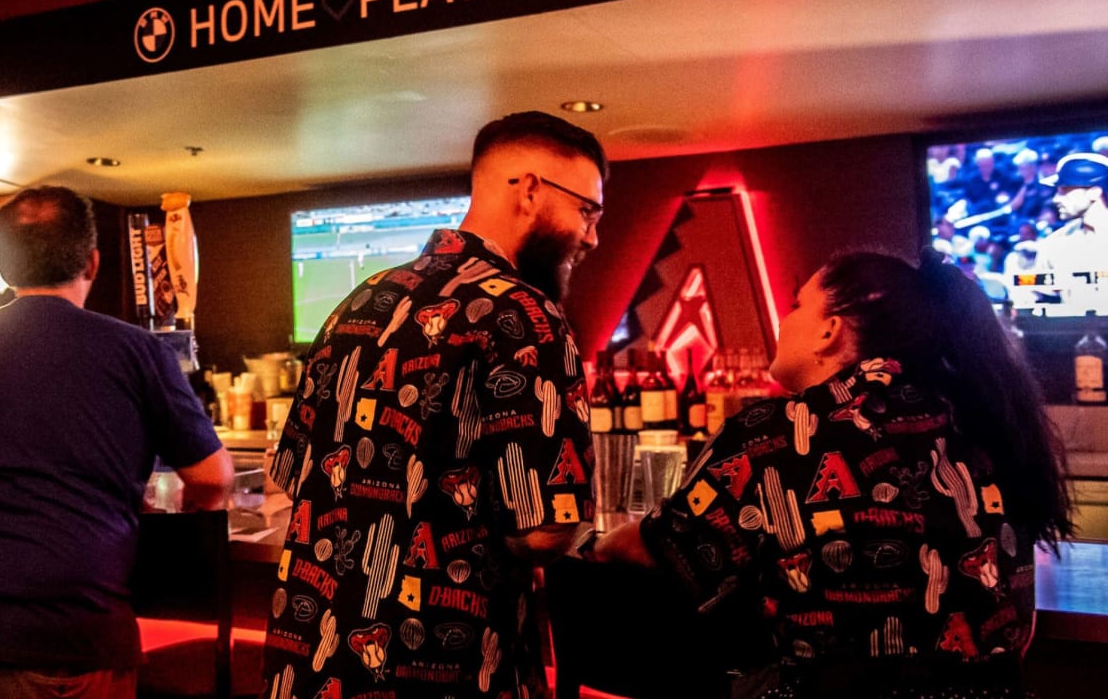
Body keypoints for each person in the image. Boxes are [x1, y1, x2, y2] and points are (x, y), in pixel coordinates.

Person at [595, 249, 1074, 699]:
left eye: (796, 306)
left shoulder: (771, 434)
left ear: (830, 331)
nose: (782, 321)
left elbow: (664, 550)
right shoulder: (986, 420)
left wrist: (598, 542)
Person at [261, 111, 606, 698]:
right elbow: (546, 529)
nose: (592, 236)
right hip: (445, 666)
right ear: (529, 190)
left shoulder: (357, 301)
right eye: (587, 211)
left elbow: (291, 478)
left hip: (312, 664)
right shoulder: (528, 314)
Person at [0, 185, 232, 699]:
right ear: (93, 262)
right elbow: (213, 478)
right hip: (63, 631)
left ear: (4, 268)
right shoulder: (136, 350)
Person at [1034, 152, 1108, 311]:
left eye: (1064, 190)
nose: (1056, 199)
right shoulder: (1055, 243)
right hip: (1072, 326)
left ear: (1094, 192)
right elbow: (1043, 302)